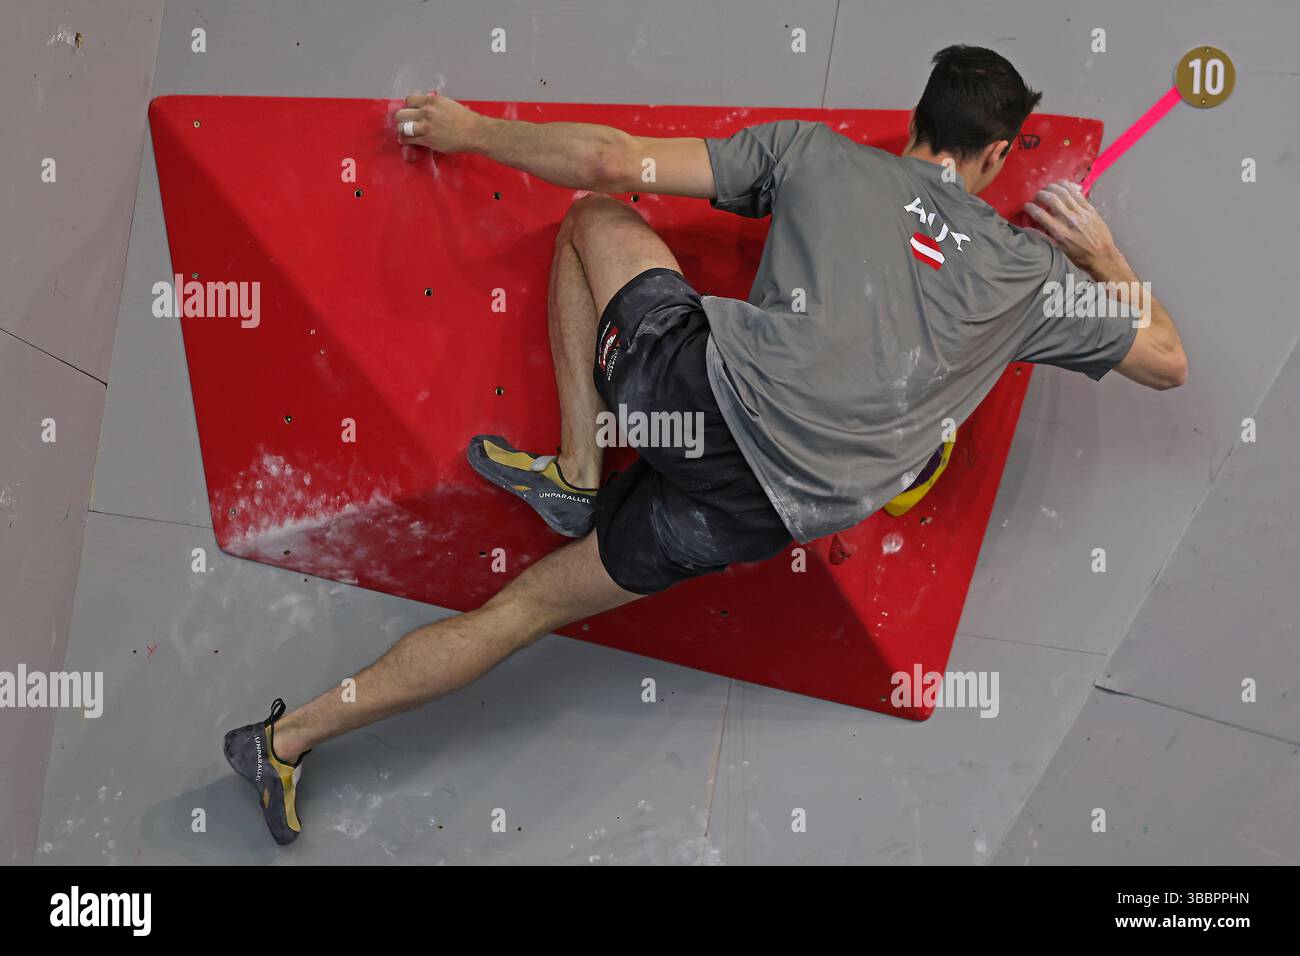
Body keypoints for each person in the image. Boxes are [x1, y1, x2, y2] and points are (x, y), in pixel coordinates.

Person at [223, 45, 1186, 844]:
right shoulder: (1023, 275)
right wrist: (1101, 255)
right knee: (521, 614)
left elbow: (611, 164)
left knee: (593, 220)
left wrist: (469, 132)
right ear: (999, 152)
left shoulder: (818, 153)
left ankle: (569, 475)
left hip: (694, 398)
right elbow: (1166, 362)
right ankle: (285, 740)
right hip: (758, 514)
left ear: (918, 119)